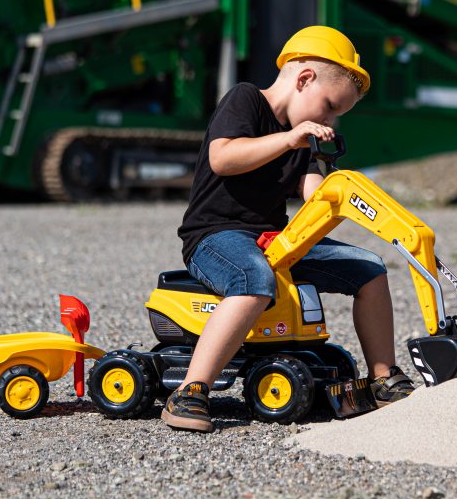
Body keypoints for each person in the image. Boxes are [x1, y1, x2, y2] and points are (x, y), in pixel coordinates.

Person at [163, 26, 416, 432]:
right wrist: (289, 139)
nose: (329, 120)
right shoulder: (246, 100)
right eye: (330, 107)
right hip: (216, 236)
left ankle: (383, 378)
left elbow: (314, 198)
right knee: (252, 278)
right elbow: (222, 158)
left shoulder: (301, 142)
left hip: (273, 240)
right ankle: (190, 392)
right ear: (304, 80)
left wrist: (335, 191)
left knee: (369, 268)